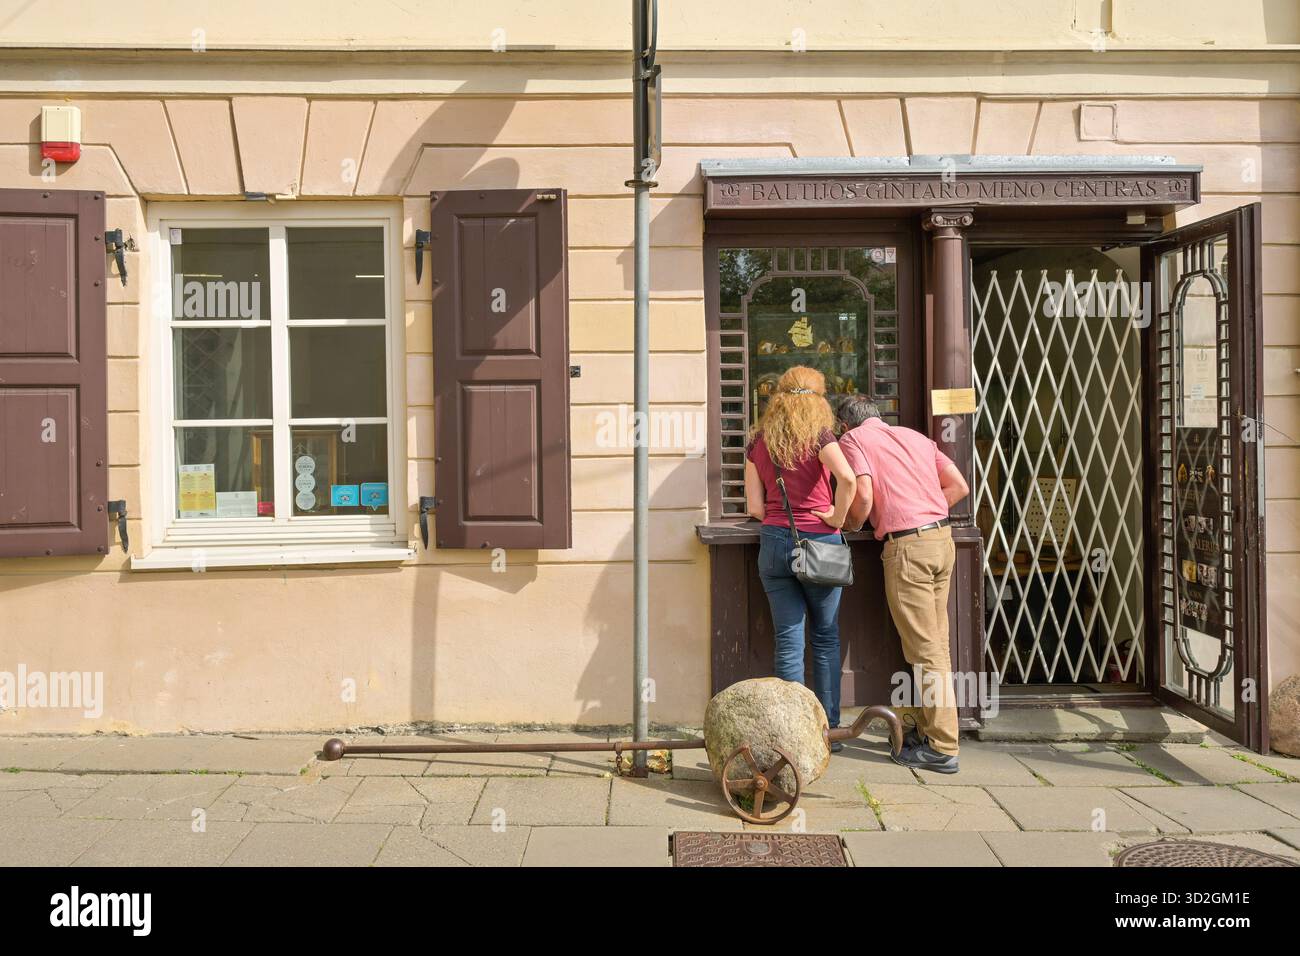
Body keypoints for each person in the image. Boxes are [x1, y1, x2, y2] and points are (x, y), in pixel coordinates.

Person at [829, 395, 970, 774]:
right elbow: (958, 486)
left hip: (907, 549)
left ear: (845, 424)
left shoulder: (852, 441)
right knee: (935, 645)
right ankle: (926, 732)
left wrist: (850, 525)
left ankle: (942, 747)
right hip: (941, 541)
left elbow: (863, 497)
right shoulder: (916, 437)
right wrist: (923, 512)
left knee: (926, 652)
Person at [744, 367, 856, 744]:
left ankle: (792, 735)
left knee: (788, 640)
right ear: (820, 400)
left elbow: (755, 508)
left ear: (777, 398)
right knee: (824, 637)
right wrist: (836, 516)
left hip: (775, 542)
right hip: (821, 542)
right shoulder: (822, 438)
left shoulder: (758, 442)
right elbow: (850, 479)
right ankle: (828, 731)